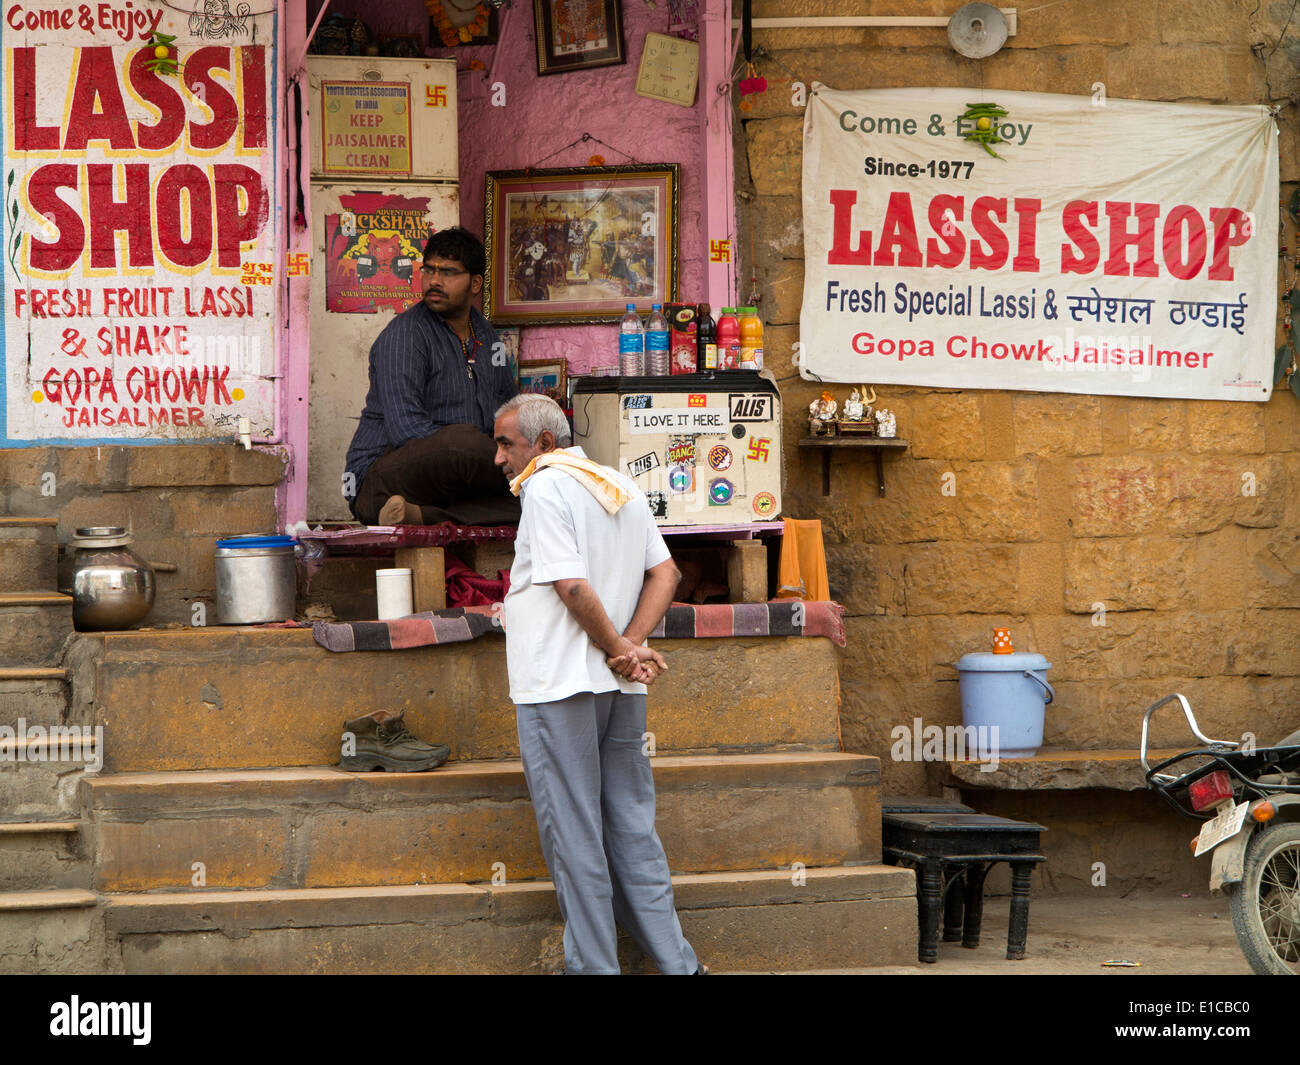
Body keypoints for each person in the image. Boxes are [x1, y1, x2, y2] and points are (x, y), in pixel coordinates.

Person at [492, 394, 703, 975]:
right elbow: (667, 573)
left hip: (558, 685)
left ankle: (593, 968)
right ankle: (678, 965)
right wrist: (629, 648)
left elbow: (572, 587)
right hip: (618, 689)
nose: (498, 458)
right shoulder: (620, 484)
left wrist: (618, 649)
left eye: (506, 444)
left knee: (575, 833)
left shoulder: (546, 486)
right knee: (632, 828)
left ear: (543, 444)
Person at [344, 227, 521, 527]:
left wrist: (529, 450)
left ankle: (419, 516)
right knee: (462, 443)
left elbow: (510, 409)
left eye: (449, 272)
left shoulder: (488, 337)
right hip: (382, 480)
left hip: (455, 483)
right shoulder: (405, 335)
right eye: (429, 270)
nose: (434, 280)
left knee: (535, 504)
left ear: (475, 283)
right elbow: (406, 430)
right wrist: (511, 459)